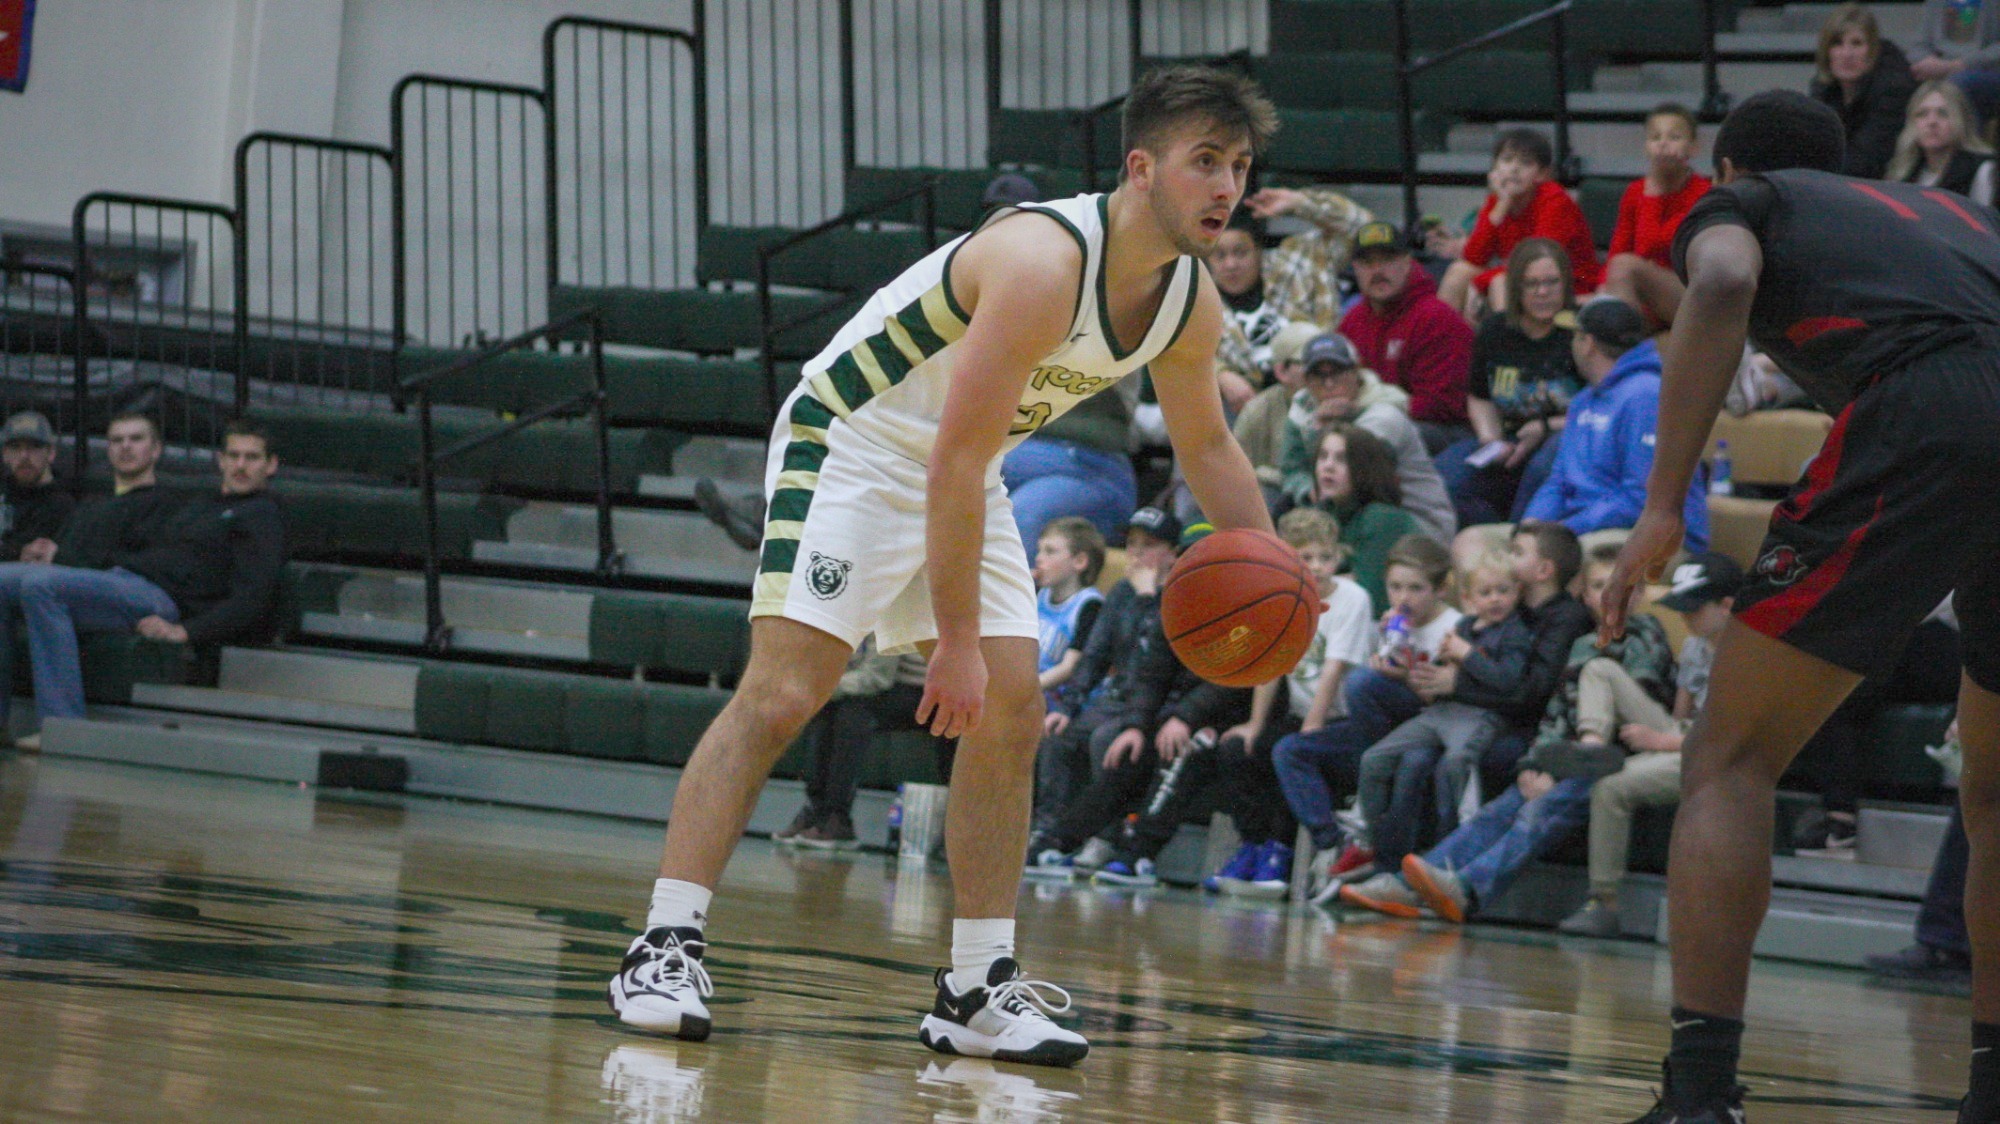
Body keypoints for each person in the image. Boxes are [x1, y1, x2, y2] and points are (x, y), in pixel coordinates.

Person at [606, 65, 1282, 1067]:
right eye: (1204, 162)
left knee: (1014, 708)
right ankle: (662, 945)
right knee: (785, 691)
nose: (1225, 187)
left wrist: (1274, 569)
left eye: (1239, 167)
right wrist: (953, 640)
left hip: (962, 467)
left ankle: (974, 985)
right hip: (856, 441)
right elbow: (952, 460)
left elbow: (1210, 447)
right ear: (1141, 169)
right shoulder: (1042, 261)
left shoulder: (1186, 300)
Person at [1598, 89, 2000, 1122]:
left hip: (1929, 410)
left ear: (1729, 170)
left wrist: (1660, 506)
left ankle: (1698, 1097)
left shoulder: (1752, 202)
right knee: (1995, 794)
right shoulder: (1958, 215)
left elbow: (1724, 278)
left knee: (1726, 759)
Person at [1346, 544, 1661, 925]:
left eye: (1623, 588)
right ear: (1585, 595)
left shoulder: (1646, 635)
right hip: (1569, 756)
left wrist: (1567, 765)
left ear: (1640, 593)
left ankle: (1468, 888)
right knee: (1498, 810)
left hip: (1614, 758)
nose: (1611, 596)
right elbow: (1556, 713)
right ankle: (1406, 884)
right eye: (1599, 587)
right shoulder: (1582, 644)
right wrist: (1534, 763)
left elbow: (1640, 707)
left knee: (1539, 811)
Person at [1119, 507, 1377, 896]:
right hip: (1298, 713)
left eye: (1325, 557)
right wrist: (1255, 724)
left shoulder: (1353, 599)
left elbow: (1333, 670)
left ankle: (1283, 852)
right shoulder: (1282, 594)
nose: (1317, 567)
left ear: (1338, 556)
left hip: (1341, 719)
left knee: (1288, 750)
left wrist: (1311, 727)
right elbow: (1270, 665)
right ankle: (1253, 844)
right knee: (1237, 747)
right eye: (1306, 557)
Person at [0, 416, 286, 749]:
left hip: (158, 596)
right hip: (123, 581)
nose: (241, 465)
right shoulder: (201, 504)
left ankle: (62, 728)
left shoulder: (263, 515)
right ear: (220, 460)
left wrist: (186, 631)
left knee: (41, 586)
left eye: (252, 458)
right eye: (234, 456)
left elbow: (253, 596)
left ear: (271, 465)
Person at [1337, 552, 1532, 914]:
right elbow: (1435, 682)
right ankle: (1367, 836)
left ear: (1518, 593)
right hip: (1441, 711)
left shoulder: (1516, 632)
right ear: (1469, 598)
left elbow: (1508, 682)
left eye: (1503, 591)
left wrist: (1467, 655)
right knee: (1374, 758)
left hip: (1478, 716)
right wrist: (1403, 660)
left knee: (1456, 763)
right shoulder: (1464, 627)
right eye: (1485, 593)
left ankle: (1455, 852)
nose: (1495, 600)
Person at [1559, 551, 1740, 938]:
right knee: (1600, 669)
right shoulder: (1696, 646)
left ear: (1728, 606)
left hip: (1720, 758)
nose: (1685, 617)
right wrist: (1665, 734)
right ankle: (1592, 746)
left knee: (1610, 788)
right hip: (1686, 734)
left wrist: (1661, 742)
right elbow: (1679, 716)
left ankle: (1604, 903)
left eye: (1694, 608)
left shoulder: (1752, 658)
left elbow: (1732, 740)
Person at [1023, 521, 1213, 882]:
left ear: (1172, 554)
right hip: (1121, 698)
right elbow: (1095, 656)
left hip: (1156, 705)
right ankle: (1048, 831)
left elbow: (1152, 664)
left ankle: (1106, 838)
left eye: (1148, 545)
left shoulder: (1179, 599)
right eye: (1132, 544)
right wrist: (1068, 706)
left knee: (1106, 739)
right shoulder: (1123, 591)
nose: (1136, 553)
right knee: (1060, 733)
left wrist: (1148, 599)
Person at [1520, 297, 1712, 553]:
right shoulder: (1583, 400)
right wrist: (1531, 525)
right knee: (1477, 542)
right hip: (1583, 529)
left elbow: (1642, 499)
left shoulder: (1647, 396)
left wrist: (1565, 531)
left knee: (1552, 561)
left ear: (1588, 344)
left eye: (1575, 336)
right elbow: (1559, 481)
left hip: (1656, 538)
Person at [1435, 239, 1584, 529]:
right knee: (1445, 476)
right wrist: (1491, 439)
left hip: (1564, 438)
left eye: (1552, 282)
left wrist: (1545, 426)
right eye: (1531, 284)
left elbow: (1600, 407)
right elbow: (1480, 396)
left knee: (1544, 464)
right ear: (1516, 287)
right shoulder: (1496, 330)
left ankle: (1519, 540)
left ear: (1566, 284)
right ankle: (1486, 536)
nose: (1543, 292)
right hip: (1509, 439)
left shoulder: (1580, 332)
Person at [1278, 332, 1456, 544]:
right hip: (1343, 514)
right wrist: (1308, 490)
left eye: (1337, 372)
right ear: (1306, 381)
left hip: (1416, 524)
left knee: (1373, 517)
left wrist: (1320, 431)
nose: (1329, 384)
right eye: (1318, 375)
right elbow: (1291, 469)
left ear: (1356, 372)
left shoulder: (1385, 411)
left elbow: (1359, 484)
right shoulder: (1303, 409)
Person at [772, 639, 934, 849]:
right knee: (826, 709)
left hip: (921, 690)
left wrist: (825, 687)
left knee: (852, 713)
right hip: (883, 686)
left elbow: (878, 677)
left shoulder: (885, 624)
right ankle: (816, 810)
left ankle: (838, 817)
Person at [1337, 221, 1476, 450]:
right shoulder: (1352, 322)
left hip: (1444, 431)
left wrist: (1366, 410)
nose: (1378, 271)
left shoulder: (1436, 318)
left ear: (1407, 263)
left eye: (1387, 260)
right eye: (1368, 263)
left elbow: (1441, 405)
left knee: (1373, 434)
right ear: (1355, 269)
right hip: (1372, 421)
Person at [1439, 128, 1603, 319]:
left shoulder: (1556, 201)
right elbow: (1474, 257)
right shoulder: (1499, 199)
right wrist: (1502, 204)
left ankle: (1510, 339)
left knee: (1501, 282)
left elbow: (1537, 261)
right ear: (1495, 168)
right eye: (1507, 160)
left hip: (1569, 283)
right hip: (1521, 276)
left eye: (1525, 163)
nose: (1514, 169)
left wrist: (1480, 282)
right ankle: (1443, 335)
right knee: (1459, 271)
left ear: (1542, 174)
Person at [1602, 103, 1712, 327]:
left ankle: (1625, 340)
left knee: (1624, 266)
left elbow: (1656, 245)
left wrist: (1654, 193)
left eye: (1674, 137)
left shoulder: (1705, 194)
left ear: (1693, 148)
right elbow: (1617, 251)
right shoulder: (1635, 192)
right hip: (1644, 298)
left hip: (1691, 297)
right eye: (1655, 137)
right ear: (1646, 147)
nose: (1663, 143)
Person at [1310, 423, 1420, 614]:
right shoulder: (1323, 513)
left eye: (1341, 459)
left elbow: (1369, 592)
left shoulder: (1382, 518)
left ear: (1365, 467)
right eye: (1323, 456)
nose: (1328, 466)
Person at [1808, 3, 1916, 180]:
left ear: (1873, 49)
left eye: (1857, 43)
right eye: (1837, 43)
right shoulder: (1823, 88)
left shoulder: (1893, 88)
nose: (1847, 54)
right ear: (1826, 51)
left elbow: (1866, 161)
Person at [1231, 320, 1321, 505]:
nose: (1322, 372)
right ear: (1281, 371)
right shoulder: (1257, 411)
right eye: (1310, 363)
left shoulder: (1348, 398)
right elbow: (1236, 475)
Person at [1888, 79, 1998, 207]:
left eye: (1943, 113)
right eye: (1922, 114)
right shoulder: (1906, 173)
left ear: (1961, 119)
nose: (1932, 122)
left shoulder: (1983, 170)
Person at [1031, 517, 1106, 705]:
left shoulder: (1090, 606)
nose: (1038, 558)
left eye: (1050, 551)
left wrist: (1023, 690)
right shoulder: (1039, 593)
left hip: (1061, 699)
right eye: (1040, 550)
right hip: (1032, 691)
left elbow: (1070, 667)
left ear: (1079, 561)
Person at [0, 411, 76, 563]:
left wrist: (15, 552)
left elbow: (33, 554)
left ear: (51, 453)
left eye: (34, 447)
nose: (24, 456)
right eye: (15, 447)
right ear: (4, 454)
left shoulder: (62, 504)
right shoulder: (4, 491)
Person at [1912, 0, 2000, 127]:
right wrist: (1927, 61)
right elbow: (1918, 46)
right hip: (1939, 70)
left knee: (1958, 83)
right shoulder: (1934, 4)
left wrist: (1957, 66)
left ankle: (1961, 138)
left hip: (1986, 71)